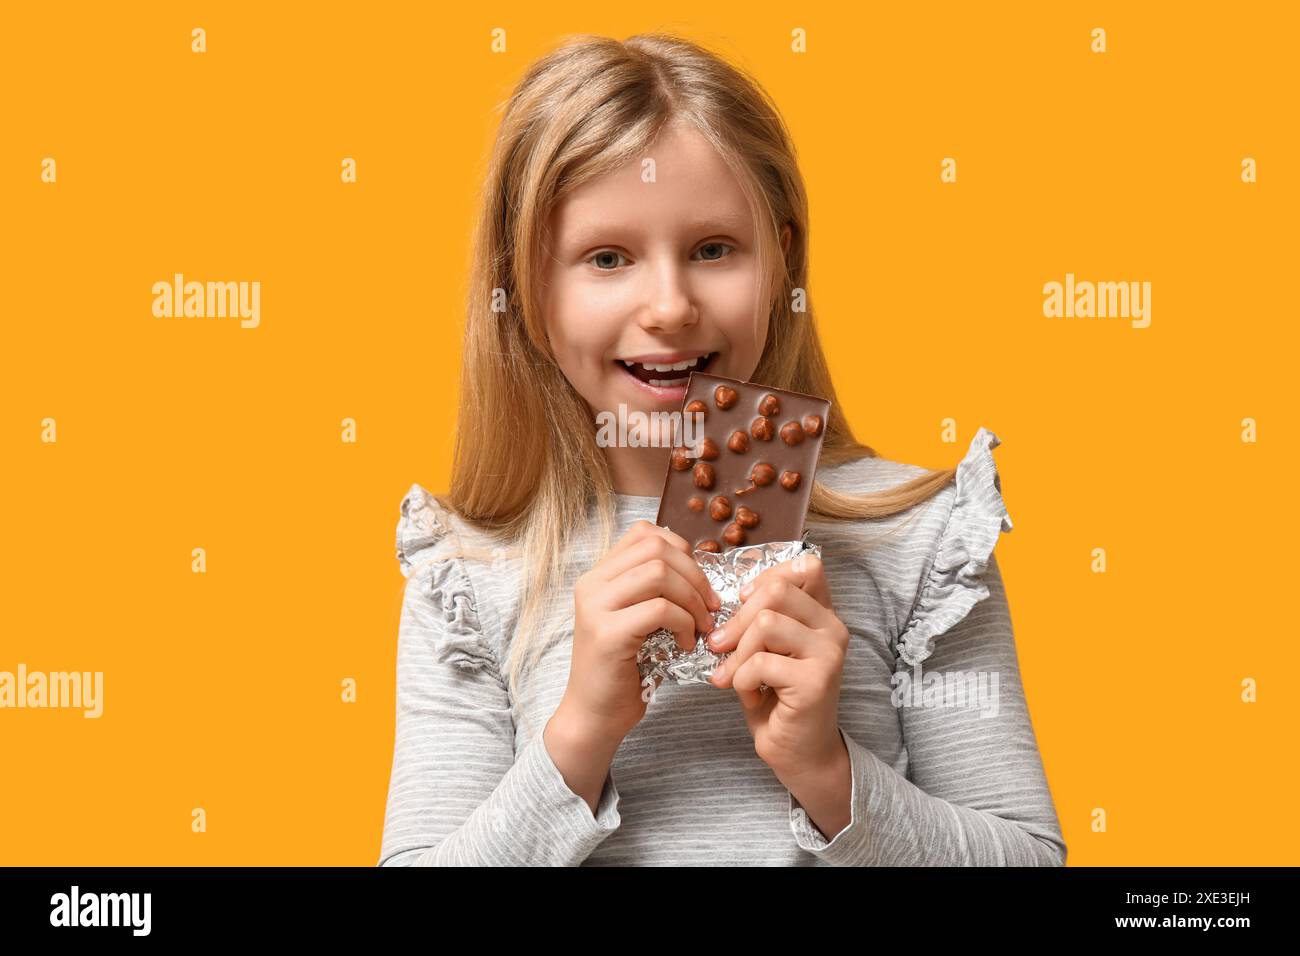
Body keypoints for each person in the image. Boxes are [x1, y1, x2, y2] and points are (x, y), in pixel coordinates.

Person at [378, 32, 1065, 866]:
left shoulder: (920, 540)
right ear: (527, 289)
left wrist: (828, 769)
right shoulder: (470, 574)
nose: (669, 306)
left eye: (713, 250)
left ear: (781, 260)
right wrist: (577, 737)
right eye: (607, 258)